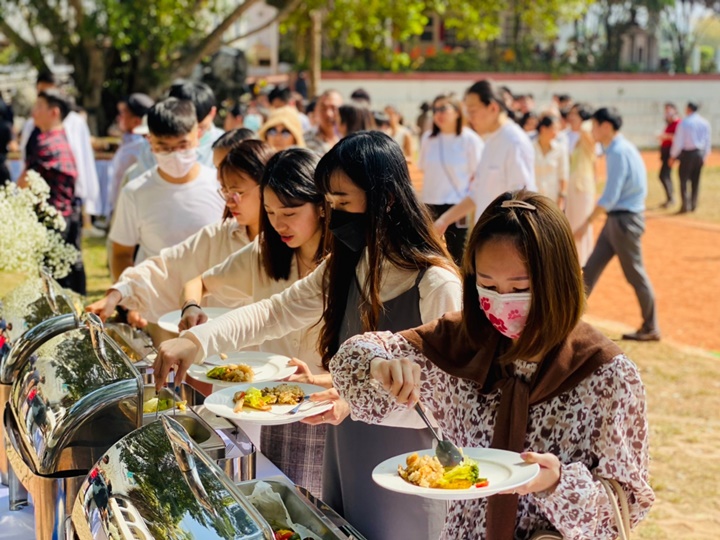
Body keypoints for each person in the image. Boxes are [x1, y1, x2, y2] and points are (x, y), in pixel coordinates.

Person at [153, 131, 462, 540]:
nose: (333, 216)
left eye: (343, 203)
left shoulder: (435, 284)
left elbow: (451, 400)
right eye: (329, 204)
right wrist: (195, 342)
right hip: (345, 455)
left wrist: (355, 401)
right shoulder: (349, 266)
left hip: (410, 470)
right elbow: (274, 312)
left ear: (385, 199)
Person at [329, 189, 654, 539]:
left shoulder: (605, 373)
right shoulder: (461, 342)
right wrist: (379, 364)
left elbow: (628, 504)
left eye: (520, 287)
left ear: (557, 282)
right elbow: (350, 362)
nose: (502, 301)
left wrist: (556, 483)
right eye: (488, 285)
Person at [179, 148, 328, 496]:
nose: (279, 225)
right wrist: (191, 307)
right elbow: (199, 282)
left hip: (329, 404)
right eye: (271, 213)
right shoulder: (265, 251)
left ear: (322, 206)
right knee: (281, 505)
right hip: (275, 407)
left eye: (290, 213)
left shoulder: (348, 263)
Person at [88, 137, 266, 328]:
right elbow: (166, 268)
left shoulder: (292, 241)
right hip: (223, 356)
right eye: (225, 192)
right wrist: (118, 293)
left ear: (266, 187)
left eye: (237, 193)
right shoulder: (218, 235)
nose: (230, 203)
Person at [108, 98, 225, 283]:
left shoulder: (220, 186)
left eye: (182, 145)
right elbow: (121, 253)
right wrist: (129, 301)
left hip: (214, 305)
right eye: (164, 147)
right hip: (155, 307)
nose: (175, 155)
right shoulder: (135, 192)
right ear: (149, 140)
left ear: (199, 135)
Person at [575, 107, 660, 342]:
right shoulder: (619, 149)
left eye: (594, 125)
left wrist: (586, 223)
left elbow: (610, 196)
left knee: (635, 274)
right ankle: (568, 317)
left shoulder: (618, 152)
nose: (592, 130)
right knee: (590, 269)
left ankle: (651, 326)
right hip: (618, 220)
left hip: (624, 220)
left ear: (606, 126)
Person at [434, 79, 536, 234]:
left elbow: (522, 201)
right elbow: (477, 194)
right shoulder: (490, 141)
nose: (469, 117)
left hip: (505, 239)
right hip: (487, 237)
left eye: (473, 111)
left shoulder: (515, 142)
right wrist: (444, 220)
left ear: (493, 108)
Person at [18, 89, 86, 294]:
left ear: (54, 112)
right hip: (67, 220)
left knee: (55, 287)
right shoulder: (60, 138)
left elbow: (26, 180)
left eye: (39, 107)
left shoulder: (45, 143)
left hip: (54, 226)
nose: (34, 113)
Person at [20, 71, 101, 221]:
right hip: (37, 198)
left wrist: (88, 199)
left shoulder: (75, 123)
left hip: (66, 200)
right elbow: (26, 162)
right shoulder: (31, 125)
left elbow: (83, 159)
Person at [419, 94, 484, 264]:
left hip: (457, 205)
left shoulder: (470, 140)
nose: (438, 113)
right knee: (429, 255)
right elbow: (423, 168)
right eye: (435, 109)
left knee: (458, 257)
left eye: (443, 109)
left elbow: (479, 174)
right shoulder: (428, 138)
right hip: (430, 203)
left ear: (457, 112)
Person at [107, 93, 154, 214]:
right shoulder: (128, 142)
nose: (118, 118)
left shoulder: (142, 146)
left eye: (123, 113)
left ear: (136, 121)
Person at [566, 103, 597, 265]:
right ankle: (575, 262)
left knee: (581, 227)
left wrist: (586, 119)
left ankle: (584, 264)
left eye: (575, 115)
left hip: (583, 187)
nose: (570, 118)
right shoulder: (574, 136)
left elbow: (586, 127)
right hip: (573, 187)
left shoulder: (587, 134)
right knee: (571, 225)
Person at [169, 81, 225, 167]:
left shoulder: (227, 146)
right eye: (186, 129)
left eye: (201, 128)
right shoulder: (156, 146)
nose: (194, 135)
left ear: (212, 112)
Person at [669, 101, 712, 213]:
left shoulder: (685, 123)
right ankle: (693, 204)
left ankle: (685, 205)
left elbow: (679, 142)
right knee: (696, 180)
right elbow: (707, 140)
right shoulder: (704, 122)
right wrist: (705, 155)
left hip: (687, 154)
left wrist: (673, 156)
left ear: (688, 109)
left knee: (683, 180)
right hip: (700, 154)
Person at [533, 114, 569, 208]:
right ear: (543, 129)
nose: (556, 133)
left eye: (558, 129)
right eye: (554, 129)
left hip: (552, 199)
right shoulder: (529, 148)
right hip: (533, 198)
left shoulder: (560, 149)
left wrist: (561, 198)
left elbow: (563, 174)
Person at [304, 90, 342, 156]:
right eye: (323, 108)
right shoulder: (305, 141)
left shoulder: (348, 138)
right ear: (316, 111)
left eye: (334, 108)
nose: (328, 114)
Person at [657, 103, 679, 209]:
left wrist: (666, 137)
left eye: (669, 111)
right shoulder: (669, 124)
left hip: (670, 153)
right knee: (665, 175)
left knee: (663, 175)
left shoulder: (678, 123)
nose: (667, 114)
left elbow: (678, 138)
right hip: (665, 152)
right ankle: (670, 198)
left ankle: (671, 198)